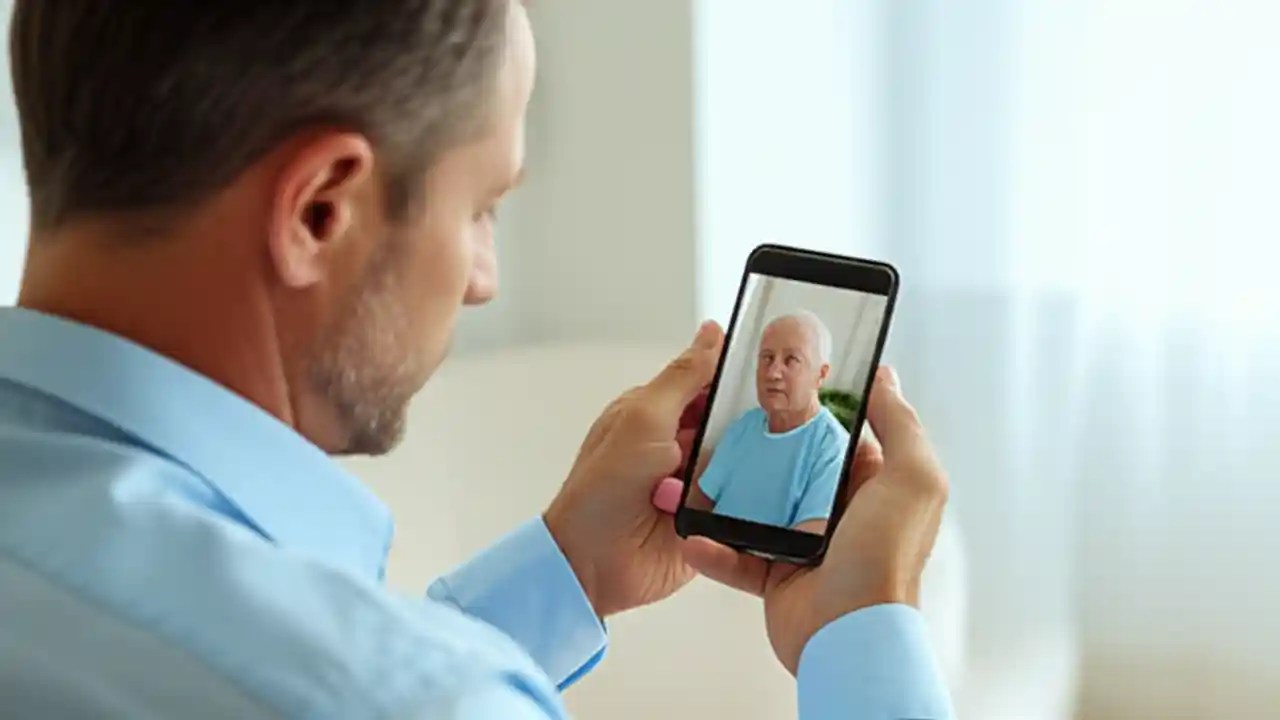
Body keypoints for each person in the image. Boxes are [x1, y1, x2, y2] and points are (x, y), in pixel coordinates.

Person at [0, 1, 954, 718]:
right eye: (481, 209)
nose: (484, 279)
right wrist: (861, 632)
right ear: (320, 211)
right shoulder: (401, 696)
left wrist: (567, 569)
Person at [688, 312, 850, 533]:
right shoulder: (746, 424)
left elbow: (810, 534)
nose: (773, 373)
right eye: (767, 358)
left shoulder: (832, 446)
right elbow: (701, 499)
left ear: (821, 375)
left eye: (791, 360)